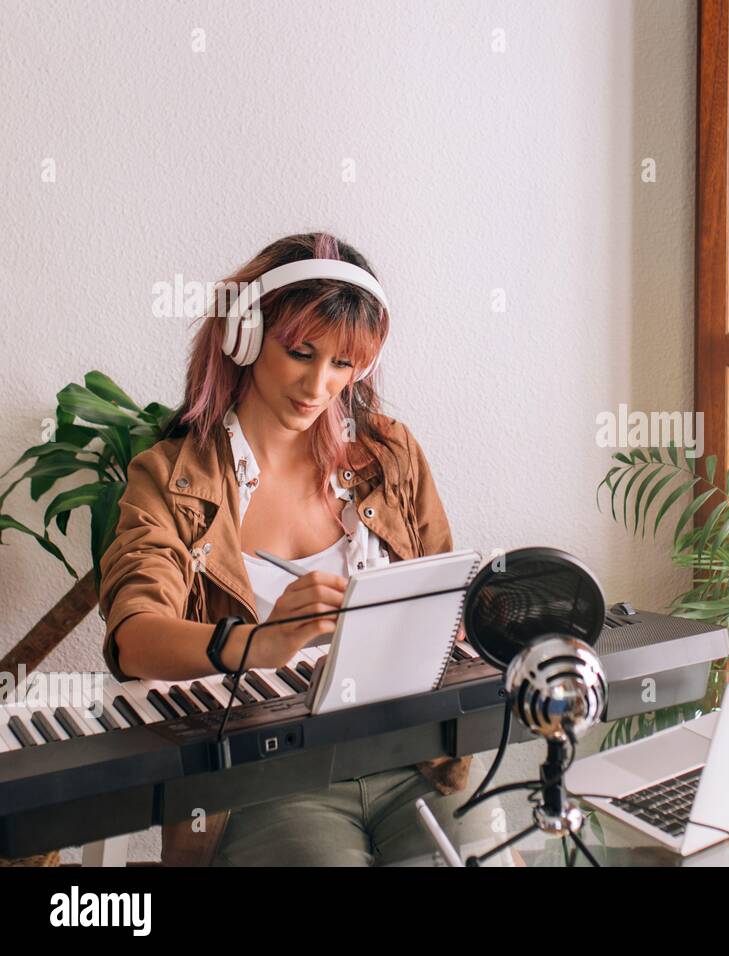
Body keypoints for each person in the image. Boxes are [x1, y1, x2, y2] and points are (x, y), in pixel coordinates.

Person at [98, 232, 487, 866]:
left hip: (411, 763)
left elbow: (447, 605)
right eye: (300, 352)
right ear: (244, 338)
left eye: (343, 365)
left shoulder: (391, 455)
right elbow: (135, 639)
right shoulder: (169, 478)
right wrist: (260, 642)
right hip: (261, 782)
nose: (319, 385)